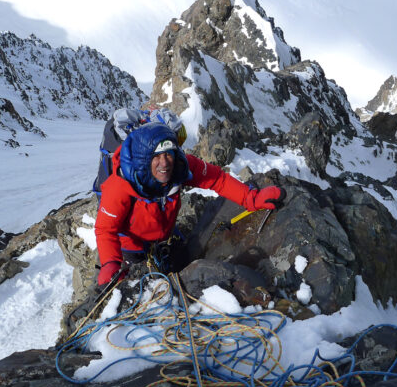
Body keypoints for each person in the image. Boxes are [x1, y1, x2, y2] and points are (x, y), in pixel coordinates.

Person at [94, 121, 285, 286]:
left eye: (168, 154)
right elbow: (105, 229)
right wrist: (110, 263)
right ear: (144, 159)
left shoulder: (179, 167)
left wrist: (250, 198)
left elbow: (217, 178)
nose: (164, 163)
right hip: (132, 250)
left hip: (166, 237)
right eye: (156, 157)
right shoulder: (119, 186)